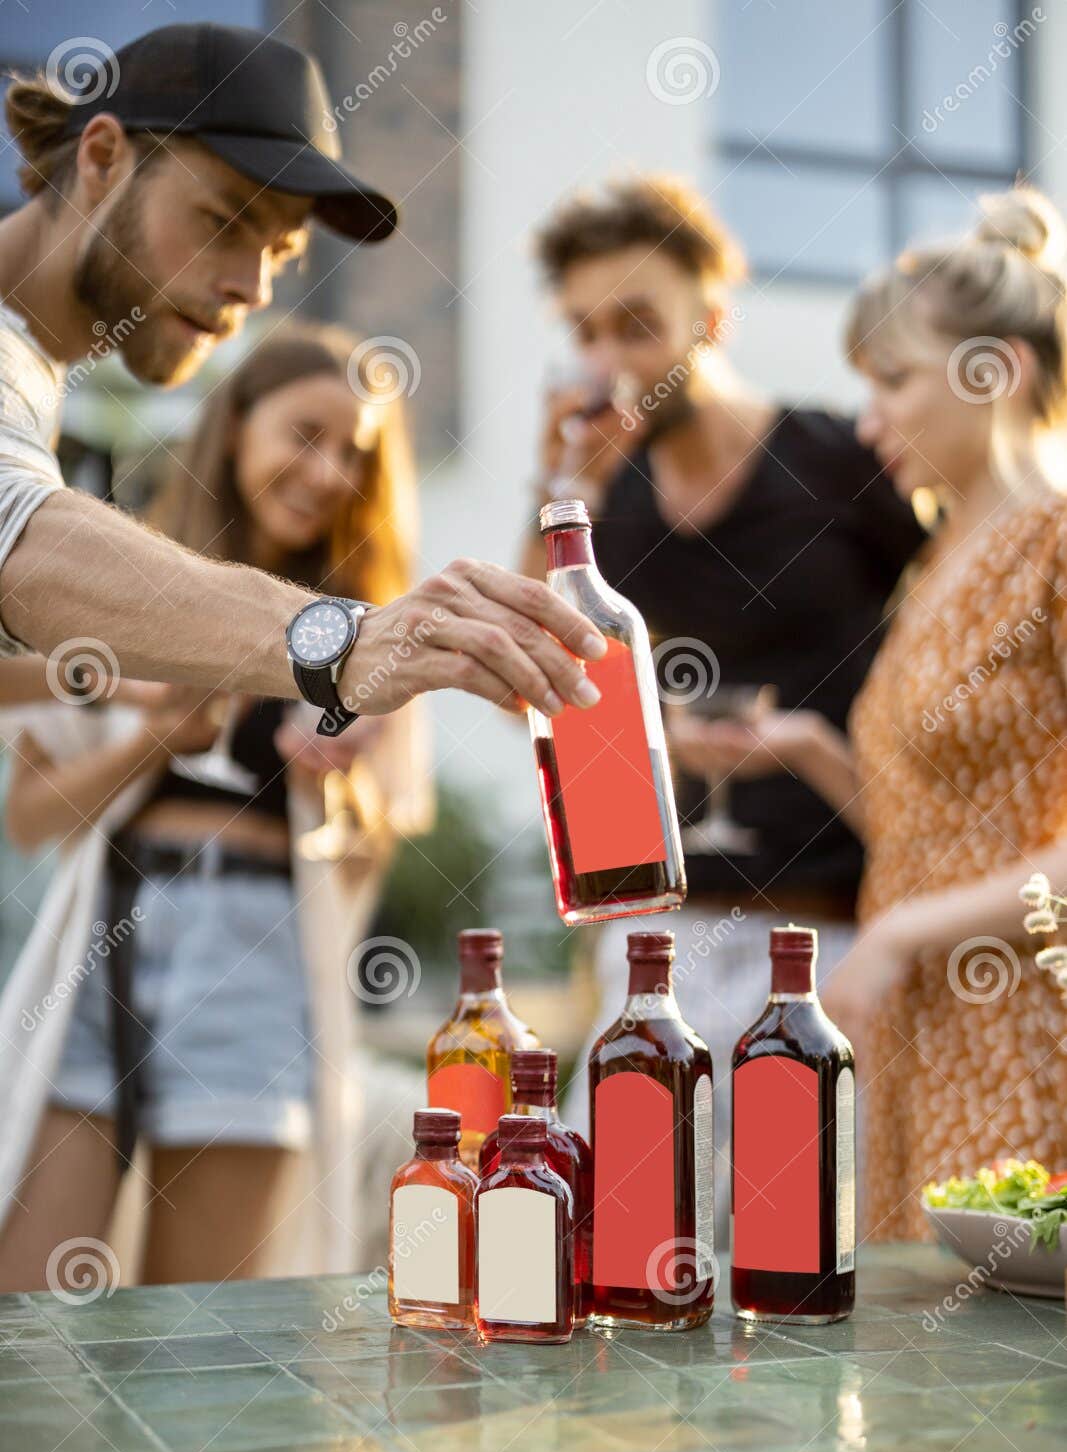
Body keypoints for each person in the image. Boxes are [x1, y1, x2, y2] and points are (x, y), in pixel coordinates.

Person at [0, 24, 607, 721]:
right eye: (224, 222)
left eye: (281, 254)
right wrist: (341, 640)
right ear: (103, 158)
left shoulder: (31, 374)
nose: (254, 289)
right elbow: (17, 535)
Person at [0, 325, 432, 1289]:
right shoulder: (123, 593)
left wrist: (342, 784)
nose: (326, 474)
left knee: (201, 1338)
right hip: (107, 939)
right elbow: (30, 820)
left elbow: (372, 856)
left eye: (352, 455)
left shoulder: (372, 631)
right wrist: (163, 738)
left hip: (256, 952)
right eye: (303, 435)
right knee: (30, 1321)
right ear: (235, 430)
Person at [521, 177, 925, 1167]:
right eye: (586, 332)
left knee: (813, 1276)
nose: (607, 363)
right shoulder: (598, 502)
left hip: (826, 941)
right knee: (615, 1260)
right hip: (657, 943)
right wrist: (557, 491)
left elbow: (950, 631)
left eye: (636, 327)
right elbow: (519, 684)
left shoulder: (840, 461)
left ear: (709, 319)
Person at [713, 186, 1067, 1238]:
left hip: (1022, 1034)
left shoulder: (1051, 546)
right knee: (925, 1386)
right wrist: (815, 753)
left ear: (992, 371)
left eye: (891, 384)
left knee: (1001, 1385)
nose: (865, 424)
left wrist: (899, 932)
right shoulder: (930, 567)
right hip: (918, 1034)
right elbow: (938, 831)